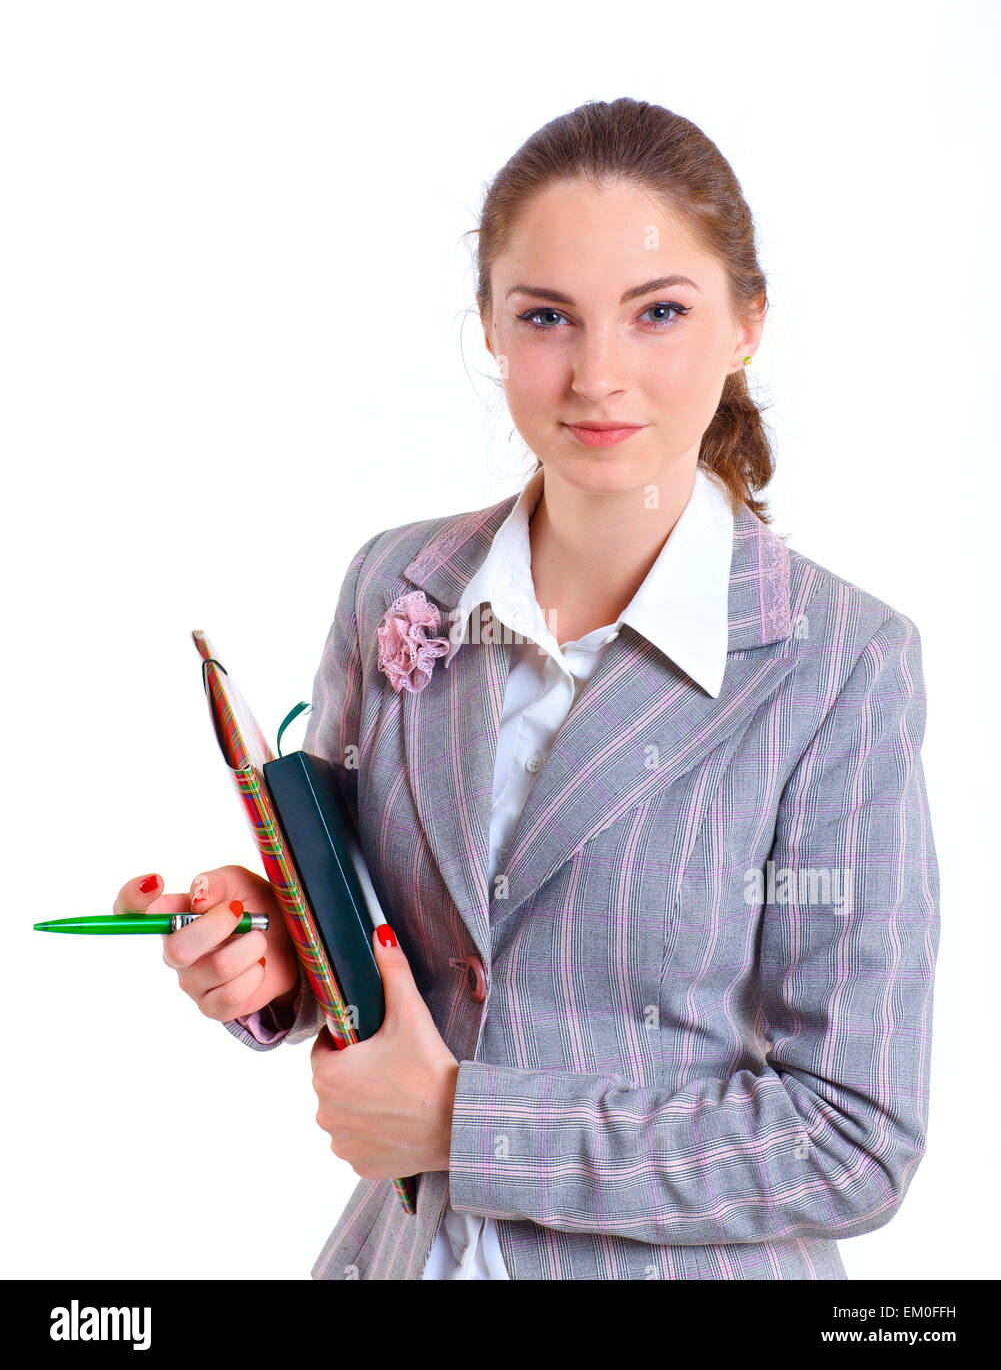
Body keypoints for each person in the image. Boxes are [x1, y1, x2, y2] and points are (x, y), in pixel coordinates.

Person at [115, 97, 940, 1280]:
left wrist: (466, 1126)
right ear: (493, 330)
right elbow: (373, 939)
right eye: (548, 316)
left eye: (658, 313)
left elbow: (852, 1140)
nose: (599, 374)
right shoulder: (395, 584)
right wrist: (274, 942)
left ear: (747, 324)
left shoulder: (836, 662)